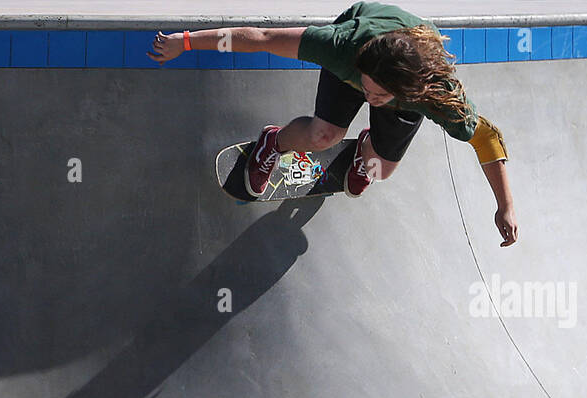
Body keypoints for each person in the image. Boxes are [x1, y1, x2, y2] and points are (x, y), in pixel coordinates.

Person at [150, 2, 518, 246]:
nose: (368, 96)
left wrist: (505, 206)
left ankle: (365, 149)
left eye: (375, 95)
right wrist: (185, 42)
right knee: (322, 136)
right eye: (365, 87)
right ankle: (273, 143)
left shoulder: (434, 93)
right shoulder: (341, 47)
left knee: (381, 169)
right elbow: (259, 39)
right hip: (363, 44)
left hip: (407, 81)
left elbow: (487, 139)